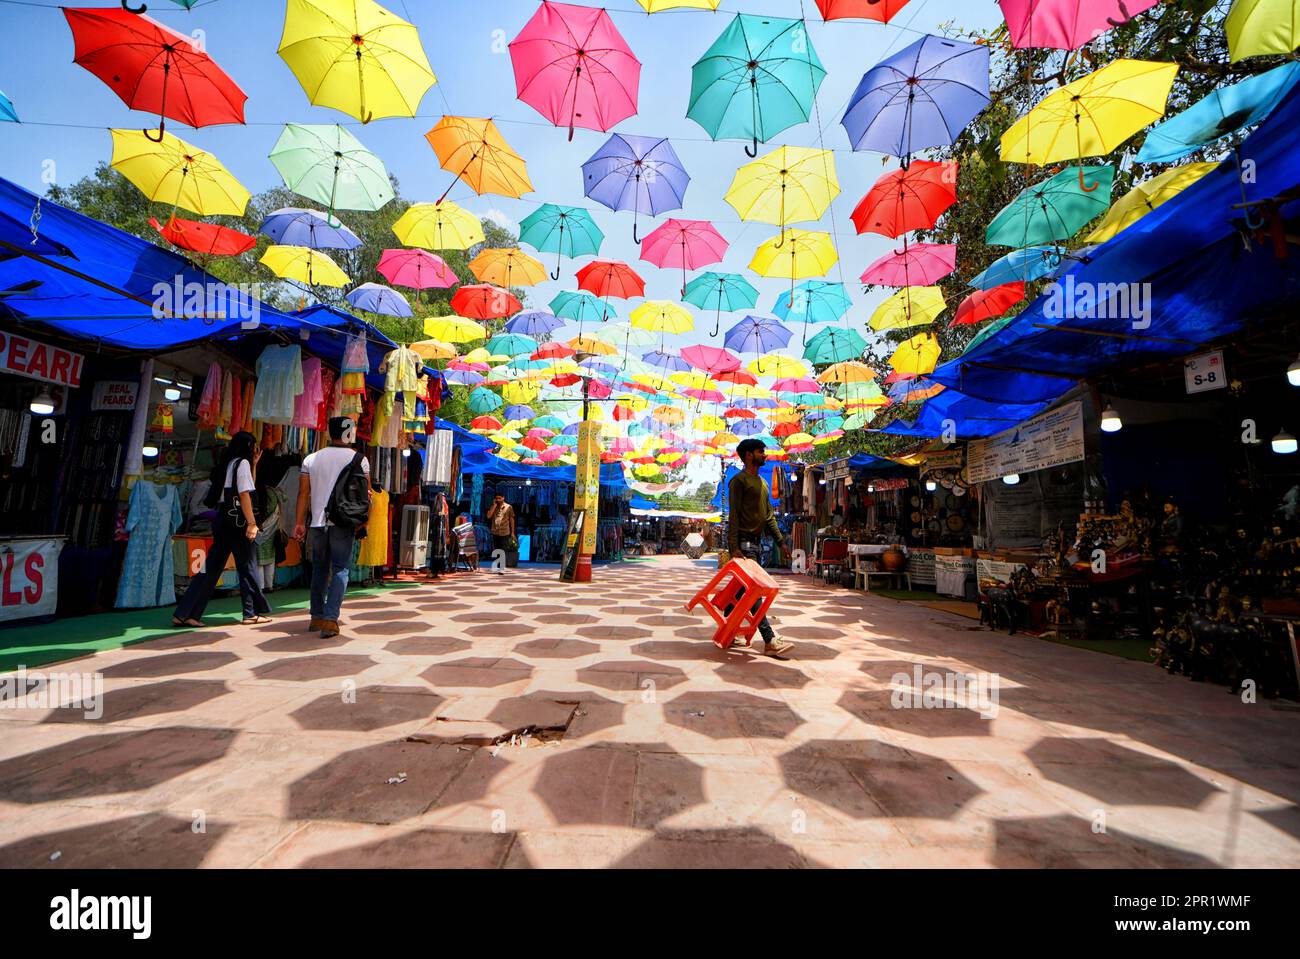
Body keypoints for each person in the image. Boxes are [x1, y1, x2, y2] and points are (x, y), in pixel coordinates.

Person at [173, 431, 272, 627]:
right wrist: (252, 523)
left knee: (210, 569)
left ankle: (185, 613)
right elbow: (245, 495)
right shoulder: (241, 464)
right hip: (239, 522)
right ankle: (251, 612)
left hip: (223, 521)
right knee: (248, 567)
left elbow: (245, 488)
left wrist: (254, 464)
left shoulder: (229, 463)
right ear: (249, 446)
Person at [293, 416, 370, 639]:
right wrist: (364, 521)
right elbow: (365, 495)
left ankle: (316, 616)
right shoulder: (360, 459)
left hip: (317, 523)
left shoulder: (311, 459)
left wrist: (299, 523)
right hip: (343, 522)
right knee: (340, 569)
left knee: (319, 569)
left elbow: (303, 493)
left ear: (329, 432)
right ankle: (330, 618)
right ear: (350, 433)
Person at [725, 438, 794, 656]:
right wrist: (733, 546)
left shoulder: (763, 484)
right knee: (754, 593)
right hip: (744, 545)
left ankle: (729, 629)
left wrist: (781, 542)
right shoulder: (738, 481)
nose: (764, 454)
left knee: (741, 591)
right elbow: (733, 515)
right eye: (760, 451)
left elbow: (769, 518)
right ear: (748, 456)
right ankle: (769, 639)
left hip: (756, 544)